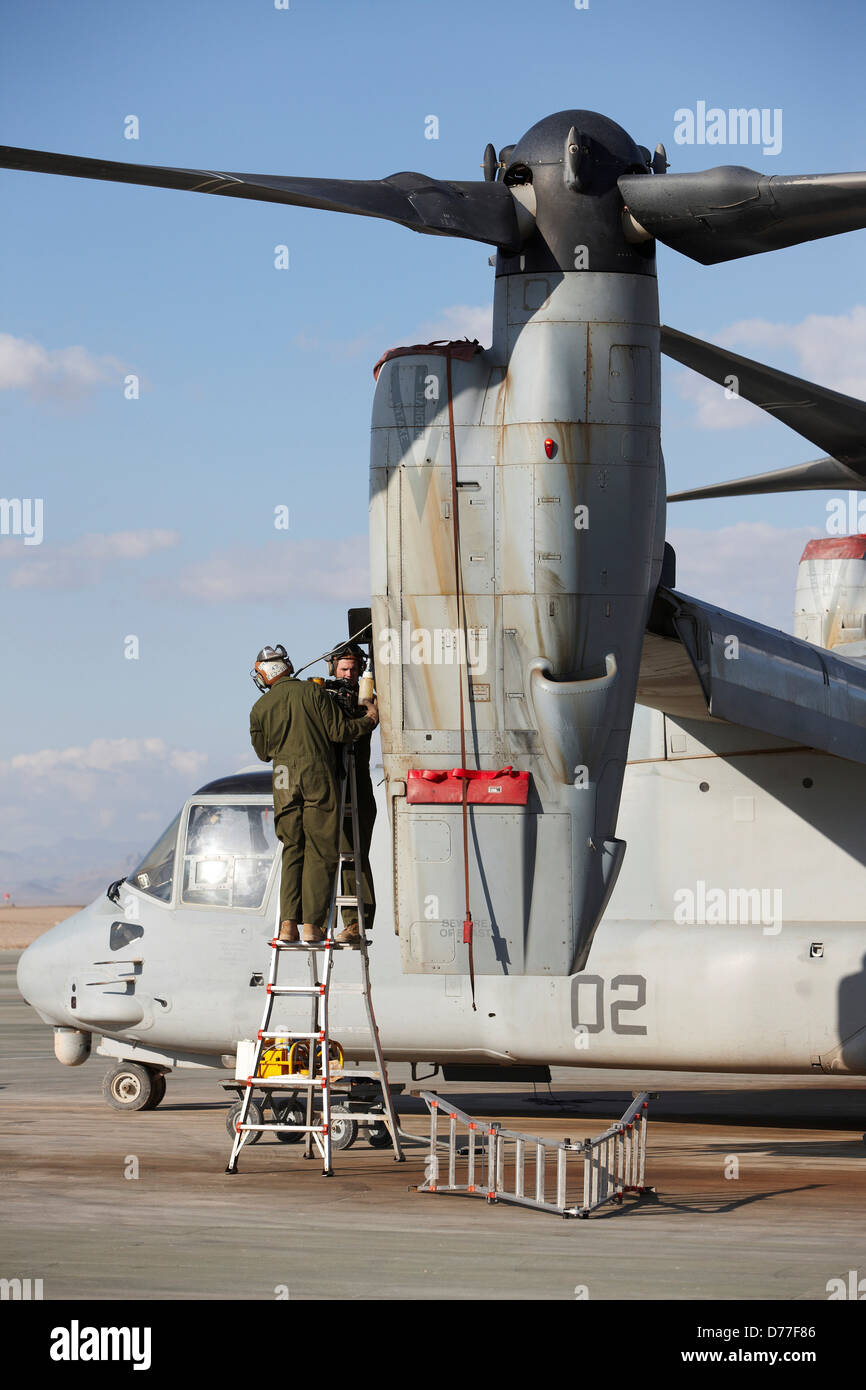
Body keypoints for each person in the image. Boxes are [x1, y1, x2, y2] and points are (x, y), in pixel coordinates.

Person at [249, 645, 379, 945]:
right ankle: (313, 926)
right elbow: (338, 731)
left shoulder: (260, 708)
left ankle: (287, 925)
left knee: (292, 849)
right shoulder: (314, 694)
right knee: (322, 850)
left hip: (283, 781)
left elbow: (263, 753)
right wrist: (369, 720)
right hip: (317, 777)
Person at [329, 645, 377, 945]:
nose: (349, 674)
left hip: (357, 784)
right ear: (333, 668)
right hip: (333, 784)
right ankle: (319, 922)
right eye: (344, 669)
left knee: (355, 854)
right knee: (327, 855)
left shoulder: (367, 699)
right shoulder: (324, 699)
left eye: (354, 669)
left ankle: (355, 921)